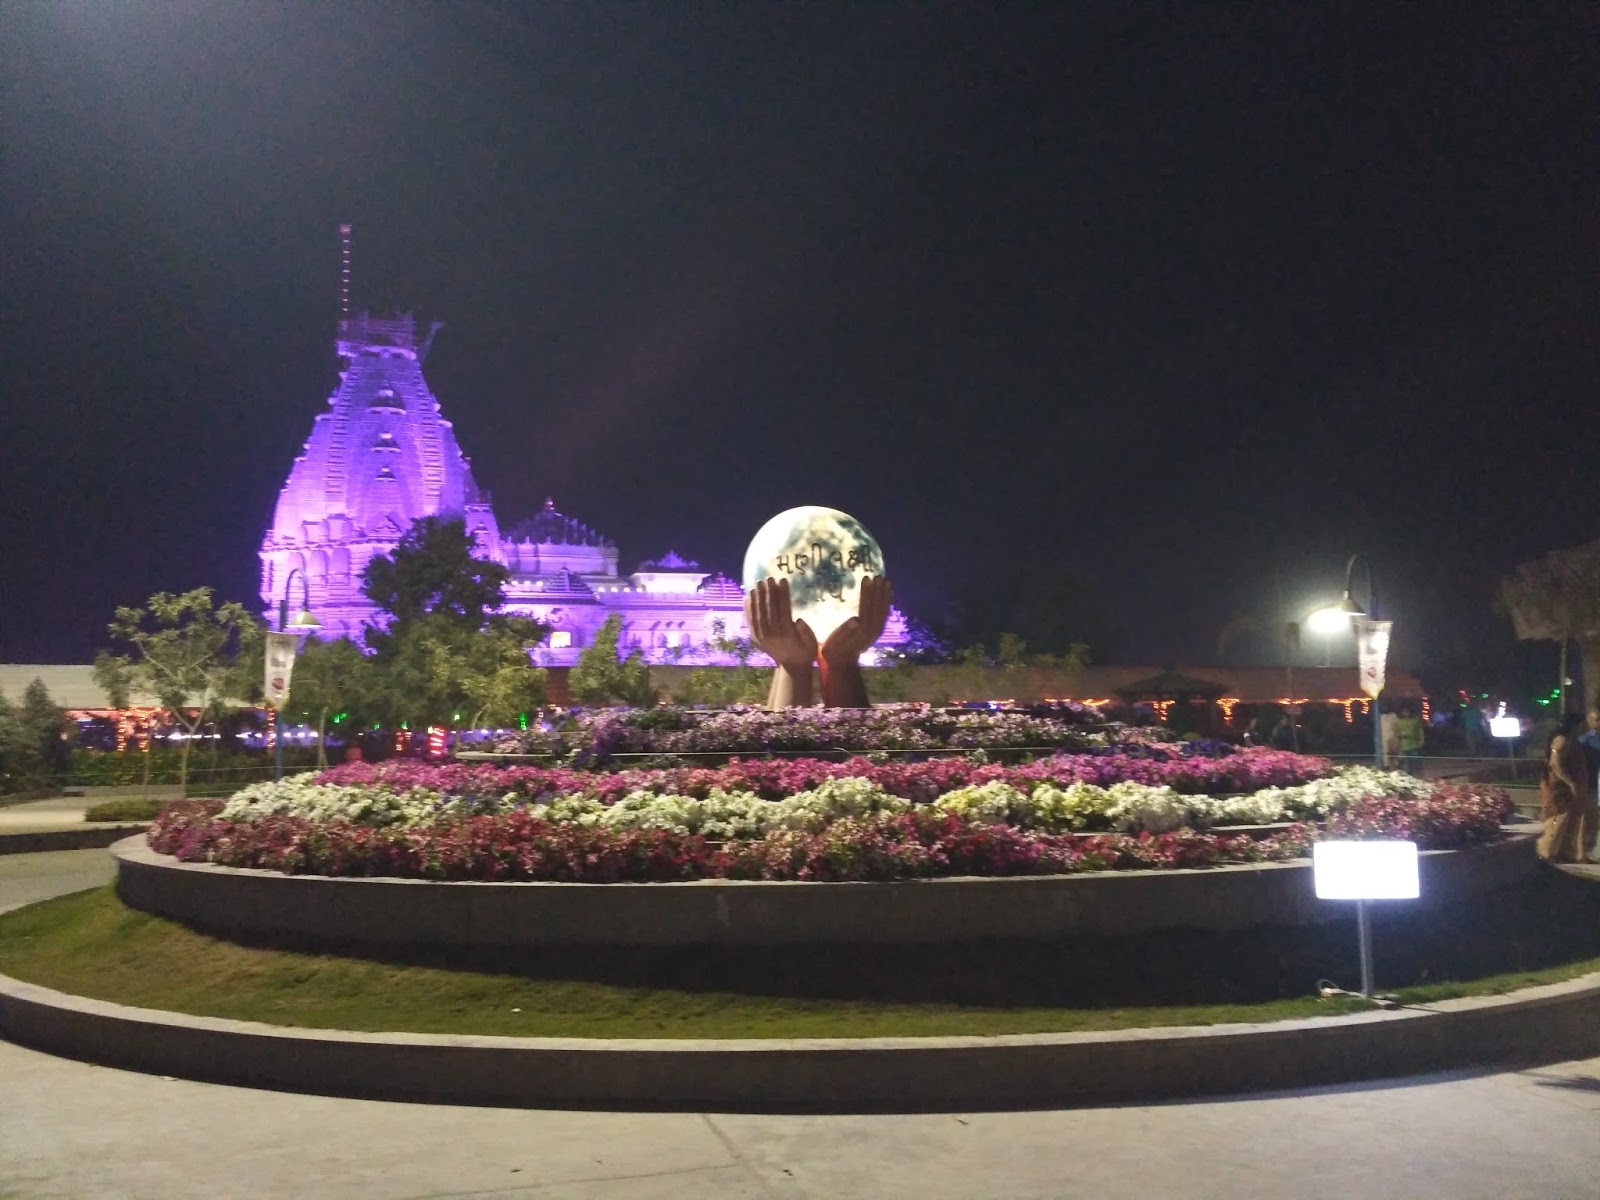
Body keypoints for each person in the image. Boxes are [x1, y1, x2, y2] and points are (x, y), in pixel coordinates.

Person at [1537, 712, 1591, 863]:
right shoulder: (1561, 740)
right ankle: (1546, 852)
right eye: (1582, 724)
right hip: (1559, 788)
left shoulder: (1573, 740)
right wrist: (1570, 783)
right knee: (1557, 819)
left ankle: (1562, 852)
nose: (1584, 726)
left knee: (1568, 820)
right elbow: (1556, 764)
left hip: (1568, 787)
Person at [1394, 705, 1424, 775]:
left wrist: (1421, 740)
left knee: (1415, 758)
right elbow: (1396, 731)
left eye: (1407, 711)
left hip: (1414, 742)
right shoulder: (1399, 721)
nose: (1406, 713)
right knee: (1406, 759)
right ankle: (1409, 772)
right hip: (1404, 742)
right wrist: (1398, 739)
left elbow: (1419, 730)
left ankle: (1417, 770)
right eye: (1404, 711)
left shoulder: (1415, 720)